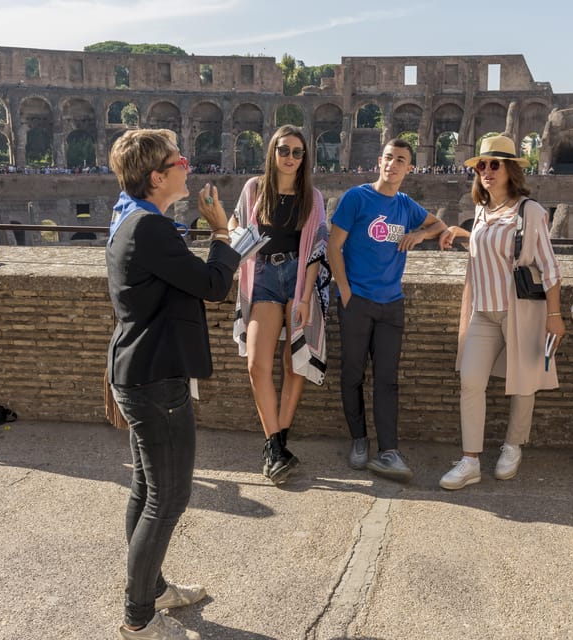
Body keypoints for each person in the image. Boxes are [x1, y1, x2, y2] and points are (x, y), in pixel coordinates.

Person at [106, 128, 240, 640]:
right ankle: (138, 619)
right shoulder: (150, 228)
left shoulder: (132, 218)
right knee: (169, 496)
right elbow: (211, 285)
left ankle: (153, 590)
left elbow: (177, 279)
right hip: (155, 379)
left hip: (139, 370)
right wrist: (223, 233)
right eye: (178, 159)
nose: (188, 164)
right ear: (157, 176)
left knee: (147, 489)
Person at [436, 135, 565, 490]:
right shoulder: (481, 211)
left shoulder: (530, 211)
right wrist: (464, 234)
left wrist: (555, 317)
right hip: (483, 310)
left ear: (511, 170)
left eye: (495, 164)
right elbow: (487, 248)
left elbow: (551, 269)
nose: (487, 171)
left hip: (519, 309)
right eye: (482, 165)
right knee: (470, 381)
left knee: (524, 382)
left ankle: (513, 445)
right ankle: (470, 460)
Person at [327, 138, 446, 482]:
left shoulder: (407, 205)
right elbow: (334, 246)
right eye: (389, 158)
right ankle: (359, 440)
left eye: (401, 161)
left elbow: (438, 225)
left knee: (387, 380)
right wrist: (346, 292)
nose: (393, 165)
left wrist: (418, 236)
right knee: (352, 373)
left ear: (410, 168)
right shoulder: (357, 198)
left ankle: (389, 451)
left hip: (392, 303)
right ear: (379, 161)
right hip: (358, 301)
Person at [230, 125, 329, 486]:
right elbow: (237, 222)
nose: (290, 158)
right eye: (284, 150)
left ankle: (279, 443)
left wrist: (304, 298)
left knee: (293, 362)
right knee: (257, 363)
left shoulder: (312, 196)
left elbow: (317, 247)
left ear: (305, 158)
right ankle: (274, 445)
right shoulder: (255, 188)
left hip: (299, 278)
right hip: (265, 277)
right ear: (272, 153)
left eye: (297, 152)